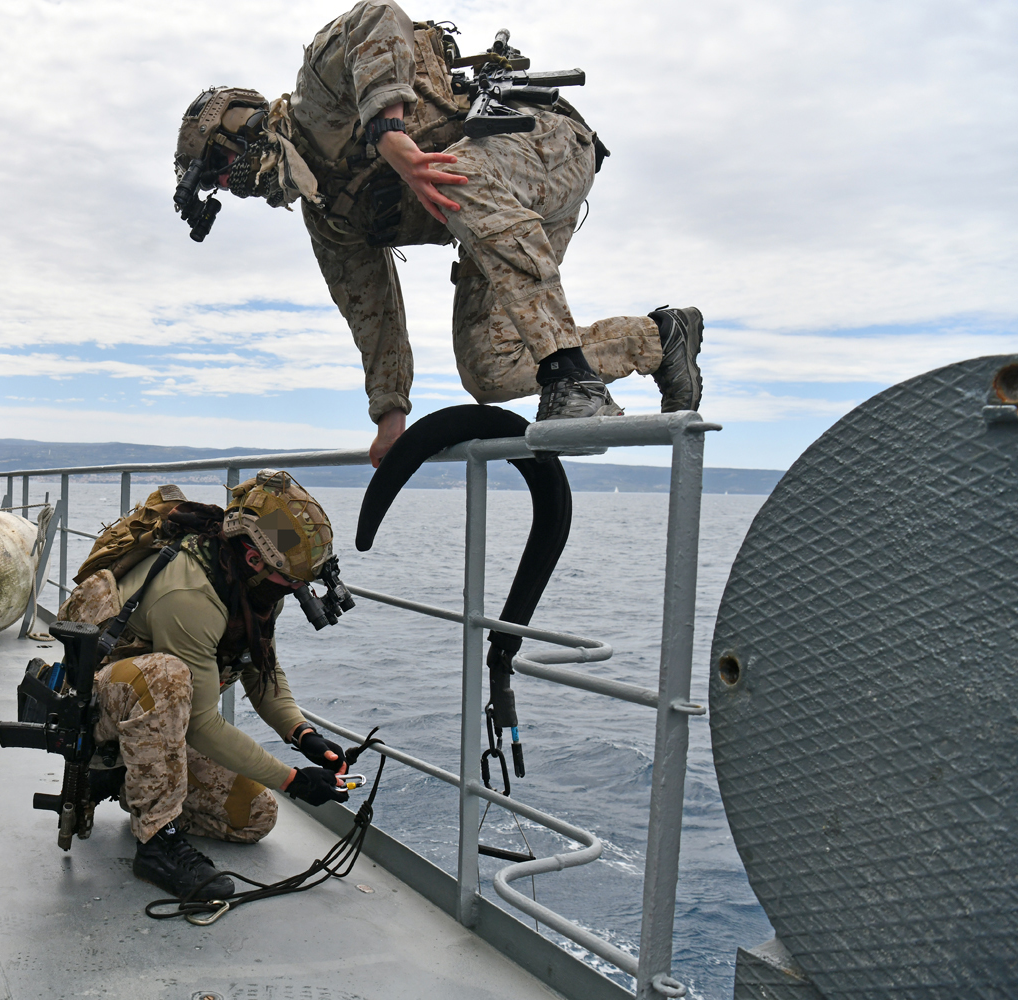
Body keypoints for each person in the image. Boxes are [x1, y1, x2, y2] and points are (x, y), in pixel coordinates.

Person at [172, 3, 705, 465]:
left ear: (240, 125)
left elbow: (378, 14)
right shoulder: (328, 213)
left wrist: (389, 134)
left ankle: (572, 377)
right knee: (488, 371)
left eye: (220, 165)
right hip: (492, 214)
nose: (228, 184)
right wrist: (390, 416)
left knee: (458, 171)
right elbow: (372, 316)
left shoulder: (318, 100)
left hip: (544, 145)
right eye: (216, 185)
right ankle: (660, 338)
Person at [55, 473, 351, 899]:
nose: (298, 591)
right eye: (293, 582)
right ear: (255, 560)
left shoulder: (254, 585)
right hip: (107, 706)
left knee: (254, 817)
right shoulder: (191, 594)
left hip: (156, 722)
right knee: (168, 676)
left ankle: (127, 783)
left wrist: (301, 733)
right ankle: (156, 841)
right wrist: (292, 779)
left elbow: (259, 668)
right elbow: (201, 725)